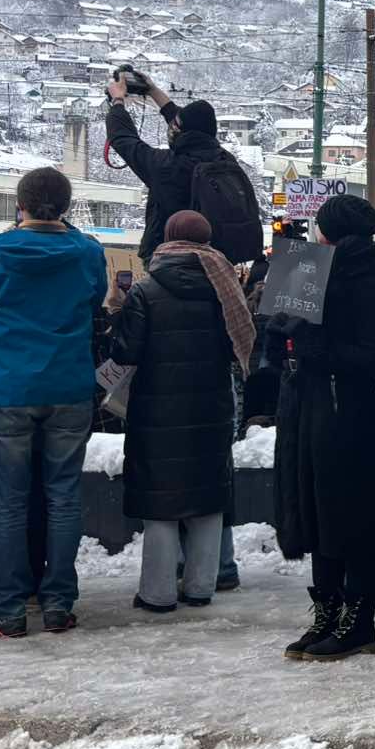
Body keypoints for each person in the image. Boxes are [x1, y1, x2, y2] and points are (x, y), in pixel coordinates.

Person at [0, 168, 108, 637]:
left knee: (7, 502)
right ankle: (58, 605)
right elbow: (93, 301)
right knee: (63, 497)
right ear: (65, 207)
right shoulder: (88, 252)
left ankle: (7, 611)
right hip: (68, 387)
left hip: (6, 390)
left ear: (19, 206)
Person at [270, 193, 375, 662]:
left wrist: (311, 347)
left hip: (347, 412)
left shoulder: (362, 281)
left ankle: (358, 619)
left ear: (330, 232)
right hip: (308, 406)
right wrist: (280, 331)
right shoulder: (307, 271)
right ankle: (327, 610)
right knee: (313, 508)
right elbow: (283, 348)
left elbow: (373, 355)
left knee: (349, 514)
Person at [111, 211, 253, 615]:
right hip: (211, 406)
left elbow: (125, 352)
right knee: (208, 497)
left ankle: (157, 593)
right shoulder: (225, 288)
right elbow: (239, 345)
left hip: (158, 410)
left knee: (161, 500)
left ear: (167, 240)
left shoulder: (146, 289)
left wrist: (118, 312)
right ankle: (200, 587)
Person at [104, 75, 260, 265]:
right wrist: (153, 91)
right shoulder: (225, 159)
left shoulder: (167, 166)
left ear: (178, 130)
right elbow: (191, 125)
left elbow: (124, 139)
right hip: (216, 260)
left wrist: (118, 100)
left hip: (169, 261)